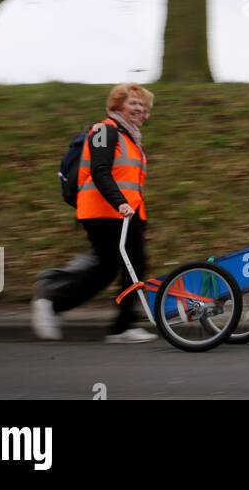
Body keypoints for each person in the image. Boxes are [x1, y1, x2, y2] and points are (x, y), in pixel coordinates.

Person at [31, 83, 157, 343]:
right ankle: (116, 325)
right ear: (117, 105)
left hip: (124, 214)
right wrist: (119, 202)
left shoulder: (131, 139)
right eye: (133, 103)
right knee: (122, 265)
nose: (139, 108)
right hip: (104, 211)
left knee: (114, 267)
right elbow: (100, 171)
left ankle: (63, 306)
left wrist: (138, 216)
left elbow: (129, 181)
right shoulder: (103, 130)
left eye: (143, 106)